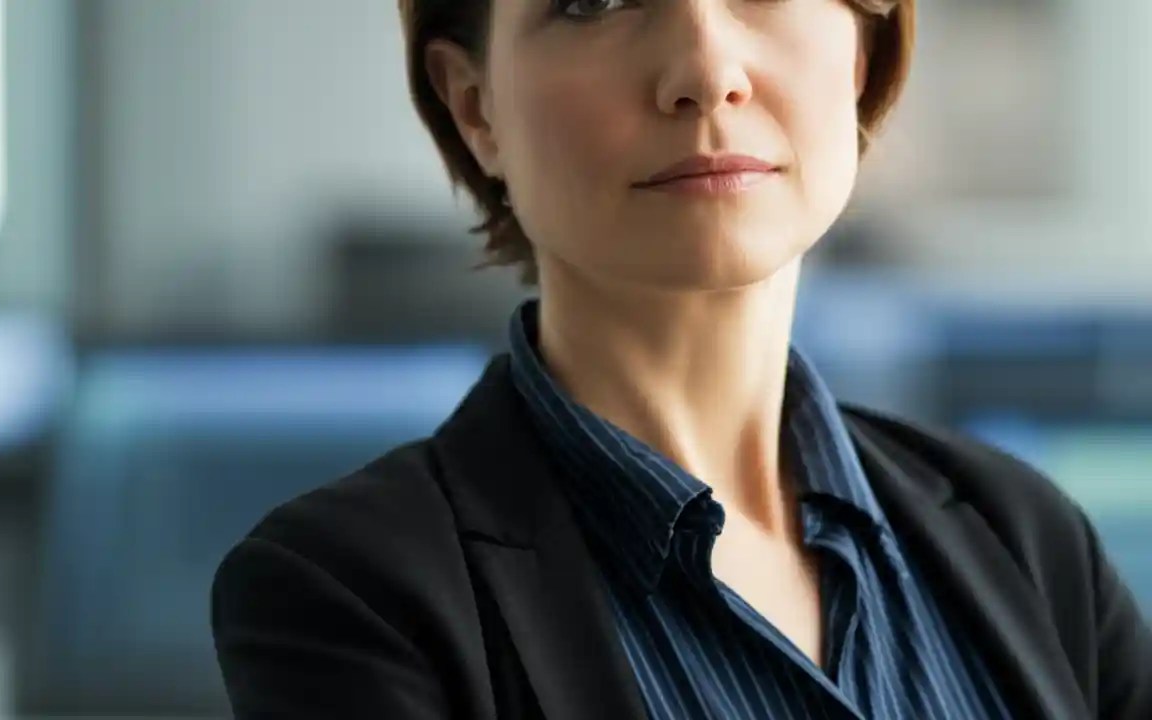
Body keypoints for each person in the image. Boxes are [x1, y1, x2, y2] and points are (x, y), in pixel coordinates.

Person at [211, 0, 1152, 717]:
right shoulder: (352, 593)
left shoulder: (1026, 538)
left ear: (859, 53)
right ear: (476, 109)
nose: (706, 69)